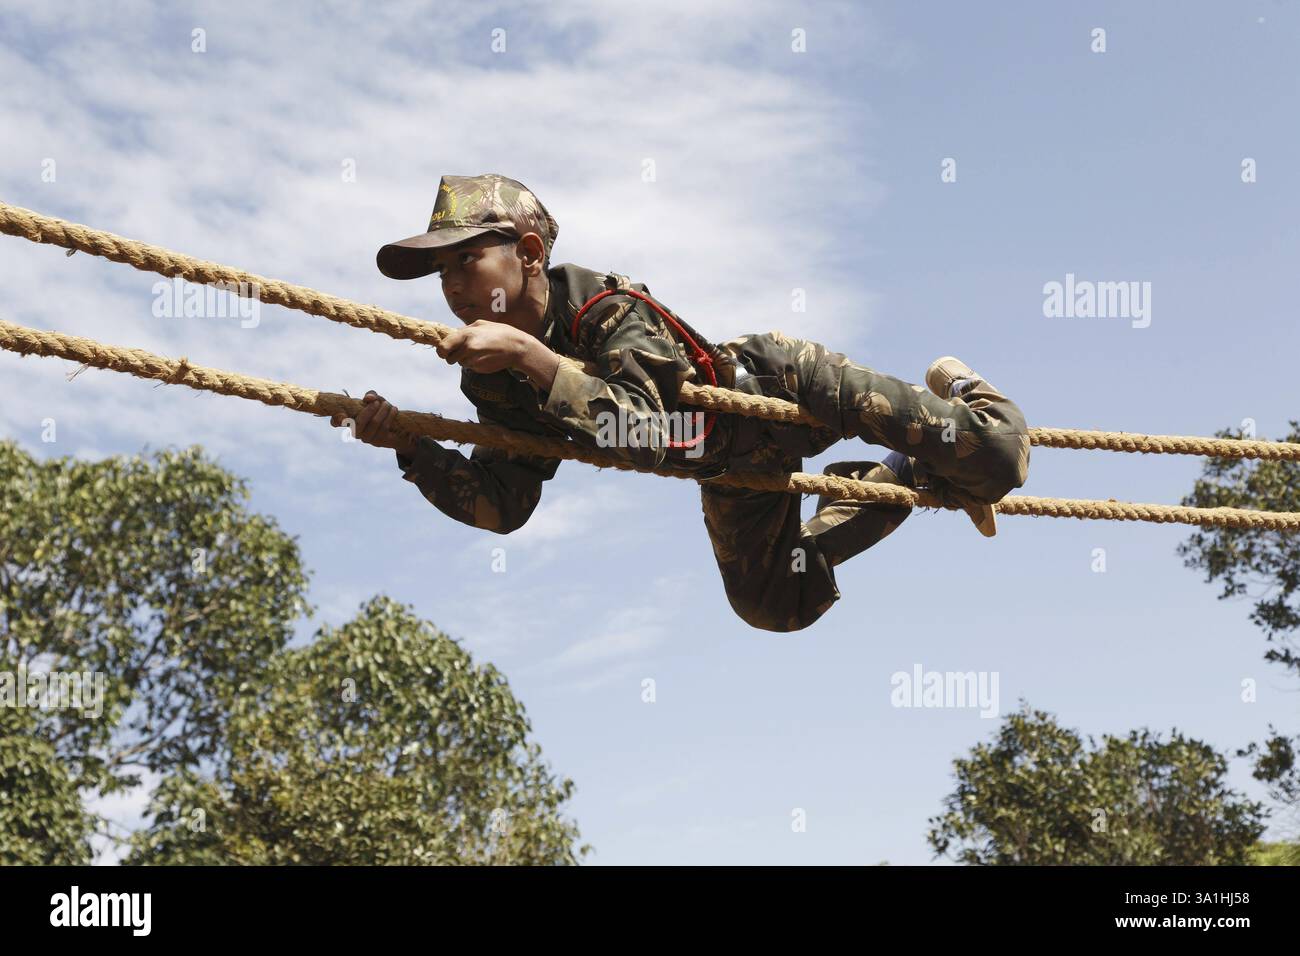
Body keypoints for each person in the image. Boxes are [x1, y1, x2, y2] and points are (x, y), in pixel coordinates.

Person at [334, 173, 1030, 632]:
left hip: (784, 390)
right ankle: (904, 479)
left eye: (467, 259)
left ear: (528, 252)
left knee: (996, 458)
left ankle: (961, 389)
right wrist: (411, 450)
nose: (452, 285)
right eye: (440, 270)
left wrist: (532, 358)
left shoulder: (607, 310)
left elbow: (644, 431)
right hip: (727, 466)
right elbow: (504, 504)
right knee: (772, 603)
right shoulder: (494, 381)